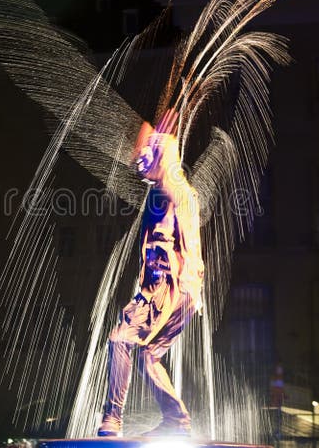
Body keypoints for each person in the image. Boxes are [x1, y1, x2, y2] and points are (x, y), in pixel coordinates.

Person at [97, 110, 204, 437]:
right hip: (186, 291)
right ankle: (177, 420)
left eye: (145, 157)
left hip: (168, 285)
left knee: (119, 339)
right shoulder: (171, 191)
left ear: (160, 157)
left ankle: (112, 418)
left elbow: (170, 176)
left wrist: (161, 141)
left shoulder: (172, 188)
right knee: (148, 355)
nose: (138, 163)